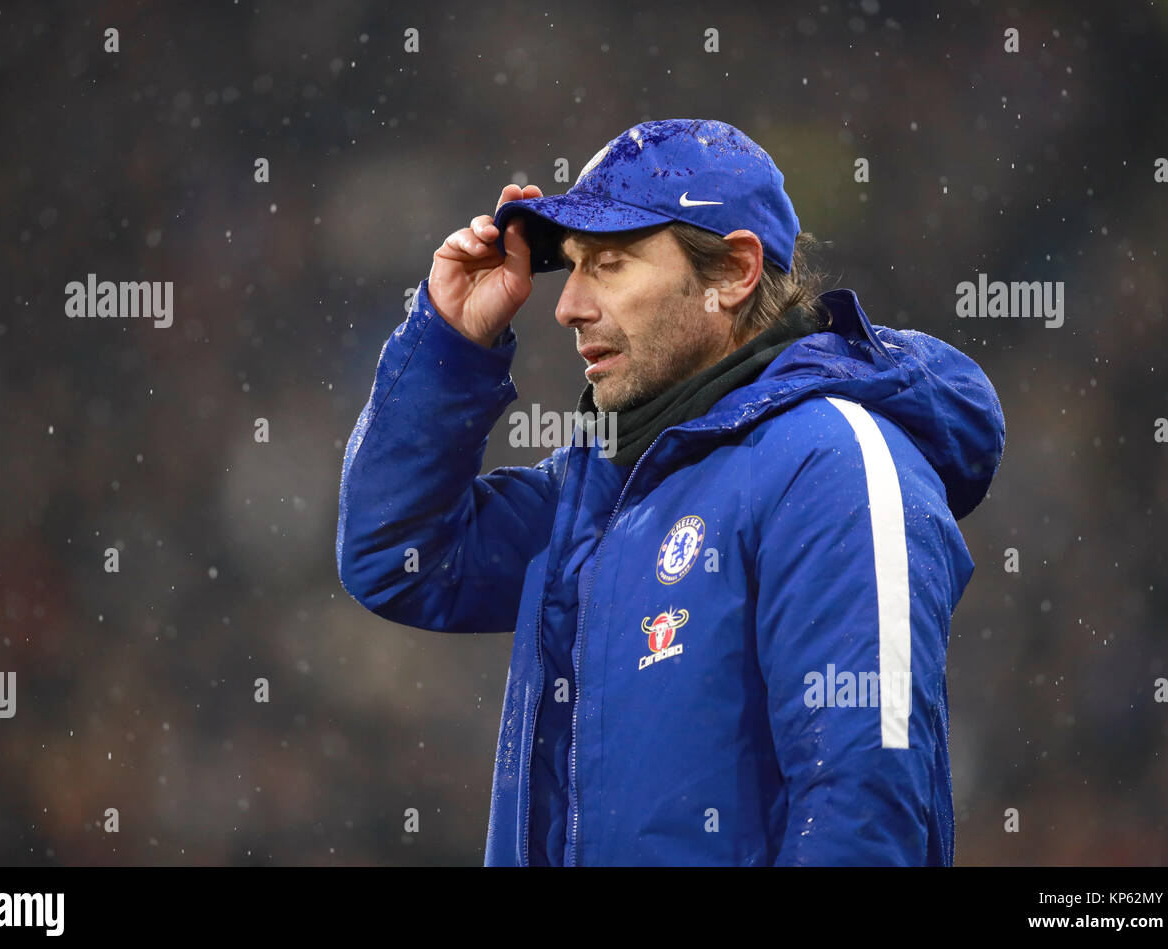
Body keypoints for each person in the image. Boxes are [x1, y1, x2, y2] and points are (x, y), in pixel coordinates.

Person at [336, 118, 1005, 866]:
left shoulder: (833, 463)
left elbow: (862, 806)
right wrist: (449, 346)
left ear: (733, 273)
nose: (567, 306)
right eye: (575, 268)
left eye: (612, 264)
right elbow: (400, 559)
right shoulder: (597, 489)